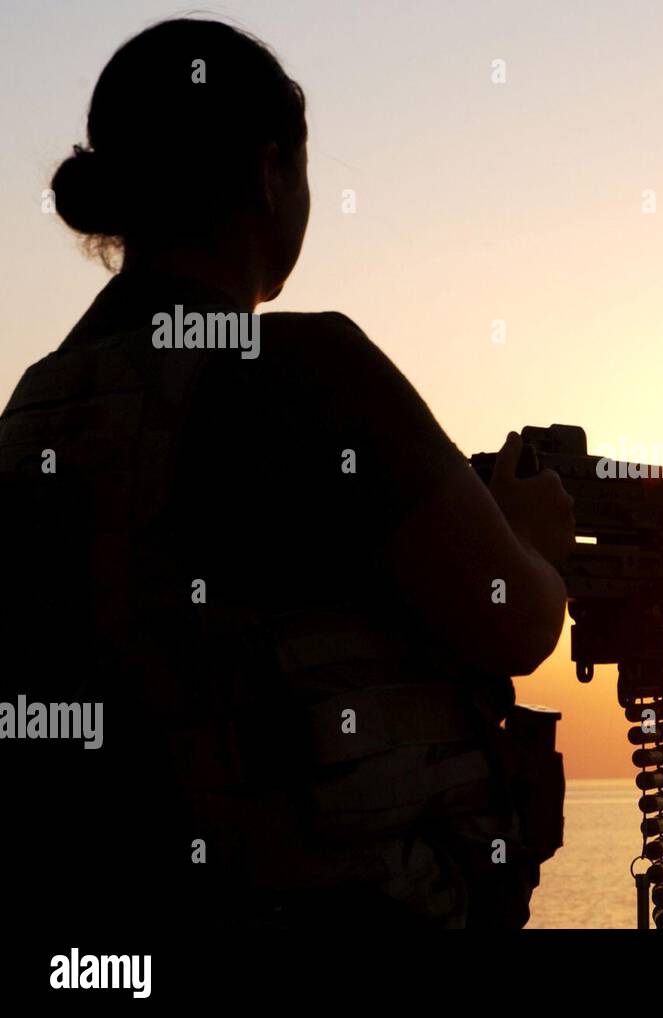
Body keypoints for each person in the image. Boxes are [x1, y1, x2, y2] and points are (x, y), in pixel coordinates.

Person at [0, 17, 572, 934]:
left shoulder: (36, 403)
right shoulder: (309, 368)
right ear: (270, 174)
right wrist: (533, 539)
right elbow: (513, 621)